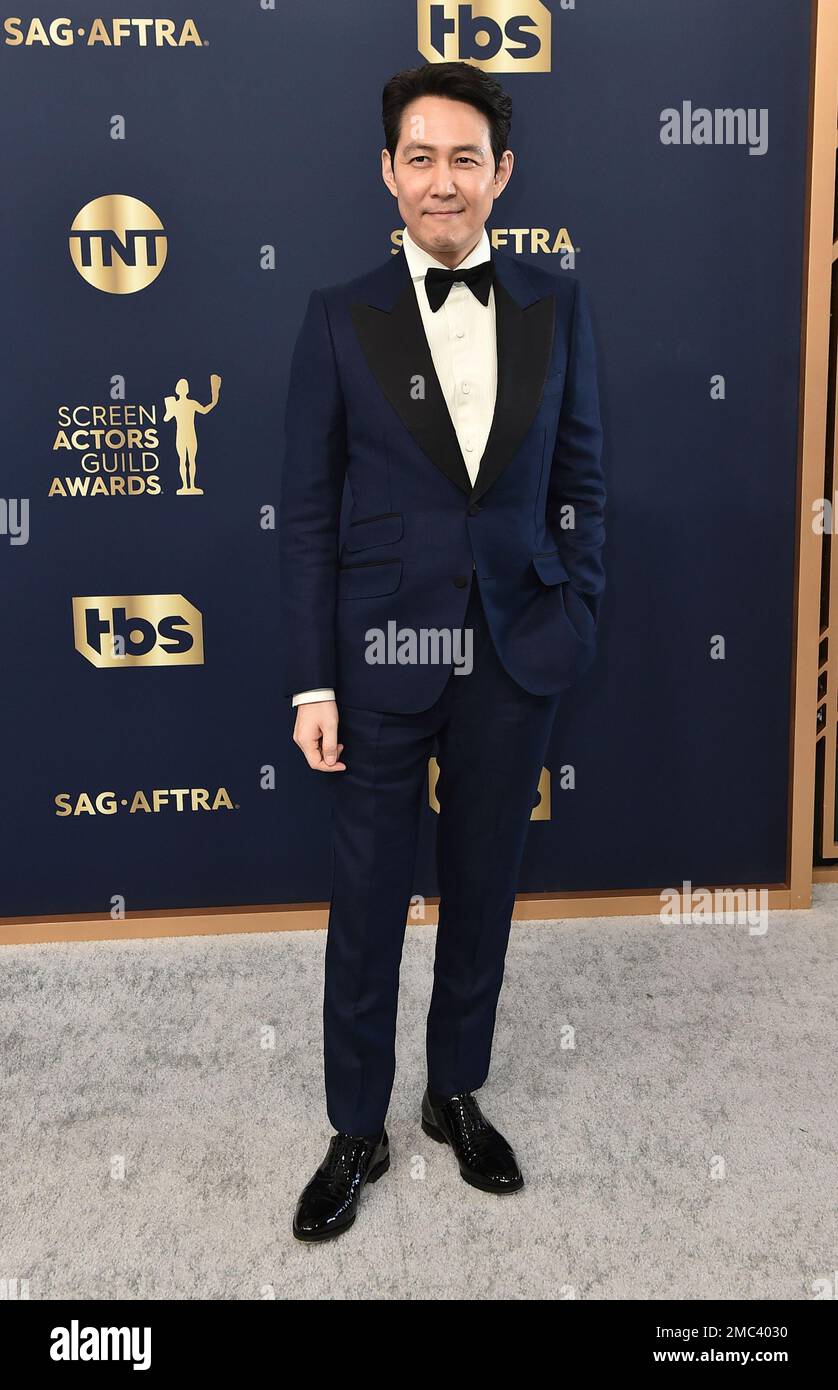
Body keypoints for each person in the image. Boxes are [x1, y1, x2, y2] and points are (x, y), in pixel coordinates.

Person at [279, 60, 606, 1242]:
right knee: (365, 901)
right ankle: (354, 1125)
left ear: (501, 174)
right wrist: (313, 678)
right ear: (387, 171)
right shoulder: (337, 314)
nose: (442, 180)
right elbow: (307, 513)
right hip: (374, 660)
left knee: (482, 891)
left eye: (465, 158)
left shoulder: (554, 305)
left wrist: (573, 615)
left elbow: (584, 484)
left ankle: (450, 1093)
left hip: (516, 651)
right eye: (419, 157)